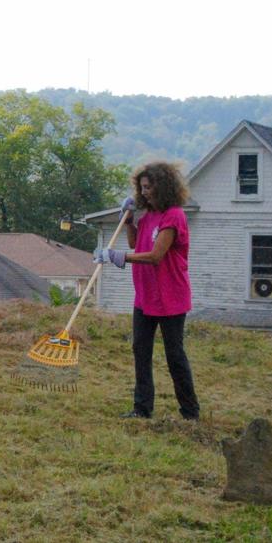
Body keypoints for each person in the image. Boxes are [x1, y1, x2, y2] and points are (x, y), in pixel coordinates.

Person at [94, 161, 200, 421]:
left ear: (163, 187)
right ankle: (142, 408)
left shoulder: (173, 215)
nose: (145, 193)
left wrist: (119, 257)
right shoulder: (149, 215)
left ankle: (190, 412)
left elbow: (155, 256)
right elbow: (135, 242)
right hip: (145, 296)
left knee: (174, 355)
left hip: (170, 297)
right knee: (140, 350)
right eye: (142, 188)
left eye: (149, 187)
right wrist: (129, 221)